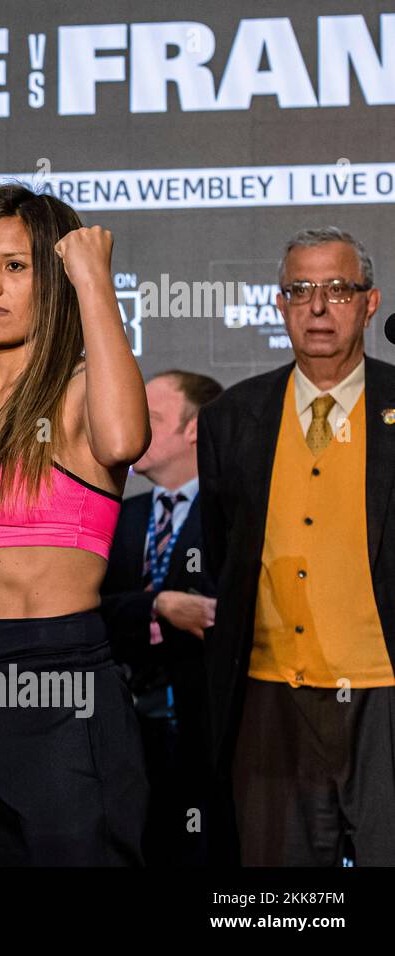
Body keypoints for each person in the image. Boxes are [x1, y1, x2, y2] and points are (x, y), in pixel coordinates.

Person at [0, 183, 150, 865]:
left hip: (57, 679)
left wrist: (92, 279)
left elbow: (125, 438)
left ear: (51, 278)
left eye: (16, 266)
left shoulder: (79, 390)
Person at [199, 226, 395, 866]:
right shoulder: (234, 416)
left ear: (370, 303)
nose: (318, 307)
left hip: (383, 693)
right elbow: (221, 554)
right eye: (300, 289)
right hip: (269, 697)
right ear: (279, 304)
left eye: (338, 289)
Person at [101, 370, 220, 866]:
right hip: (126, 741)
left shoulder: (235, 511)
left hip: (210, 740)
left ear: (194, 429)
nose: (134, 428)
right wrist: (157, 606)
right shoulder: (118, 517)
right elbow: (87, 607)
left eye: (150, 418)